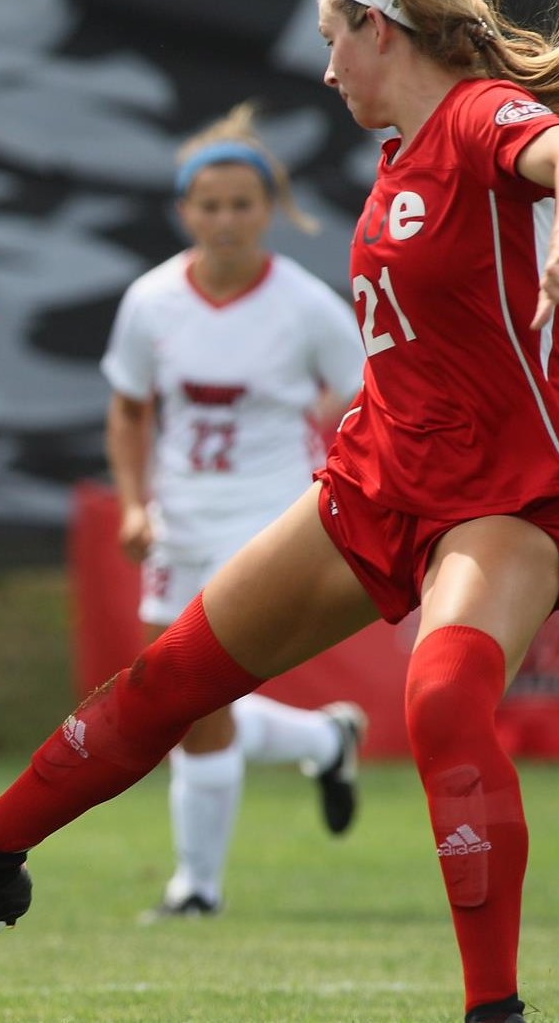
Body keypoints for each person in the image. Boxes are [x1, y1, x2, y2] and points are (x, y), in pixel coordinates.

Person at [0, 0, 559, 1023]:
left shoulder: (473, 117)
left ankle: (492, 1009)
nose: (322, 67)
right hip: (367, 488)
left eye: (331, 41)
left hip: (494, 503)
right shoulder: (395, 156)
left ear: (376, 29)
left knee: (440, 698)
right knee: (168, 681)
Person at [102, 102, 371, 921]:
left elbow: (373, 400)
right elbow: (128, 409)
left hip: (270, 520)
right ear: (185, 210)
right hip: (180, 517)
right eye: (208, 205)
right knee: (179, 696)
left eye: (241, 204)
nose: (224, 219)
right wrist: (132, 504)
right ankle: (326, 741)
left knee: (193, 697)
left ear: (271, 208)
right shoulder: (150, 301)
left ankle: (196, 889)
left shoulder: (307, 305)